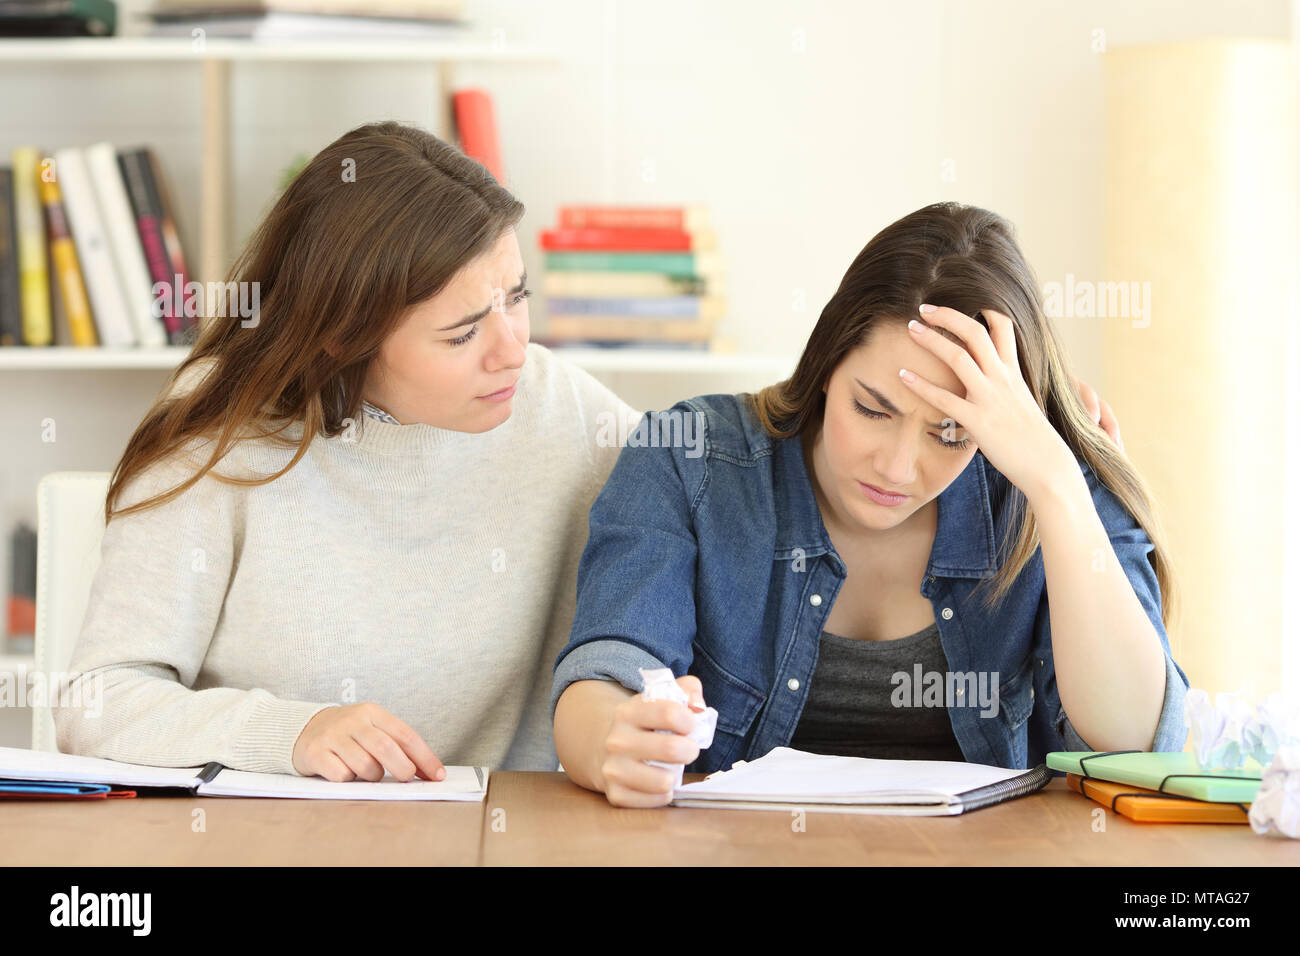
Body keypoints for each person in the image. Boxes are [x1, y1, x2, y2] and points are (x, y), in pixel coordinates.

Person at [54, 120, 639, 781]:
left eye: (517, 298)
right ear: (343, 337)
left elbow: (721, 496)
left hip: (501, 838)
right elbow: (98, 700)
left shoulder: (561, 407)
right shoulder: (223, 436)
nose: (512, 350)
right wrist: (292, 733)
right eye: (462, 332)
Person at [551, 201, 1188, 808]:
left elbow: (1136, 738)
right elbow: (604, 674)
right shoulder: (691, 460)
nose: (897, 467)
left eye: (951, 432)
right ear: (827, 362)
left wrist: (1058, 486)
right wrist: (618, 739)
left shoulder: (1046, 482)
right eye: (872, 408)